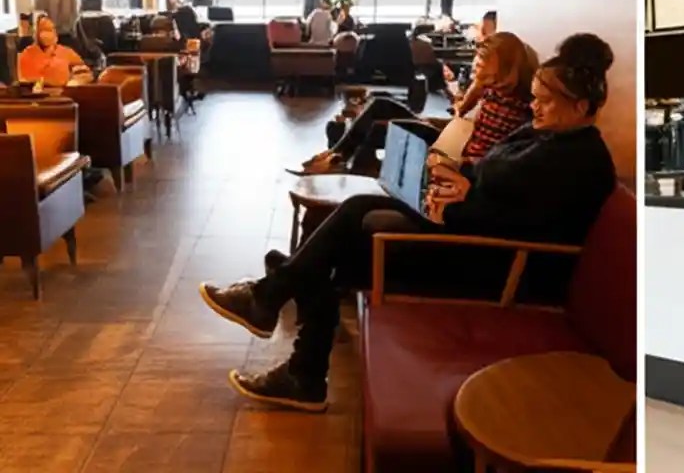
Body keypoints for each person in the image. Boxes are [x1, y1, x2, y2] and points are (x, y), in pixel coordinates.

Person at [198, 33, 617, 411]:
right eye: (535, 96)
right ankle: (282, 324)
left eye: (545, 100)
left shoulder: (576, 161)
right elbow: (492, 172)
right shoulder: (548, 135)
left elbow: (519, 225)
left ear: (581, 107)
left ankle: (286, 333)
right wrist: (460, 180)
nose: (534, 106)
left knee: (342, 242)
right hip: (475, 233)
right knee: (351, 221)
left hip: (496, 264)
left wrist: (452, 205)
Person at [296, 31, 535, 174]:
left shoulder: (512, 107)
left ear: (504, 65)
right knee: (380, 103)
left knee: (380, 128)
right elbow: (463, 109)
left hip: (453, 150)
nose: (477, 65)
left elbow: (482, 155)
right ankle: (337, 157)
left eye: (483, 61)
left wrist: (447, 156)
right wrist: (473, 91)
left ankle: (343, 162)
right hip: (453, 136)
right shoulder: (495, 91)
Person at [18, 15, 92, 88]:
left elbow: (86, 73)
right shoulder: (27, 54)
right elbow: (22, 80)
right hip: (35, 93)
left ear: (55, 33)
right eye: (43, 30)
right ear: (36, 34)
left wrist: (74, 82)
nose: (46, 34)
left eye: (49, 30)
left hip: (63, 92)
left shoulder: (66, 52)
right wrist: (44, 81)